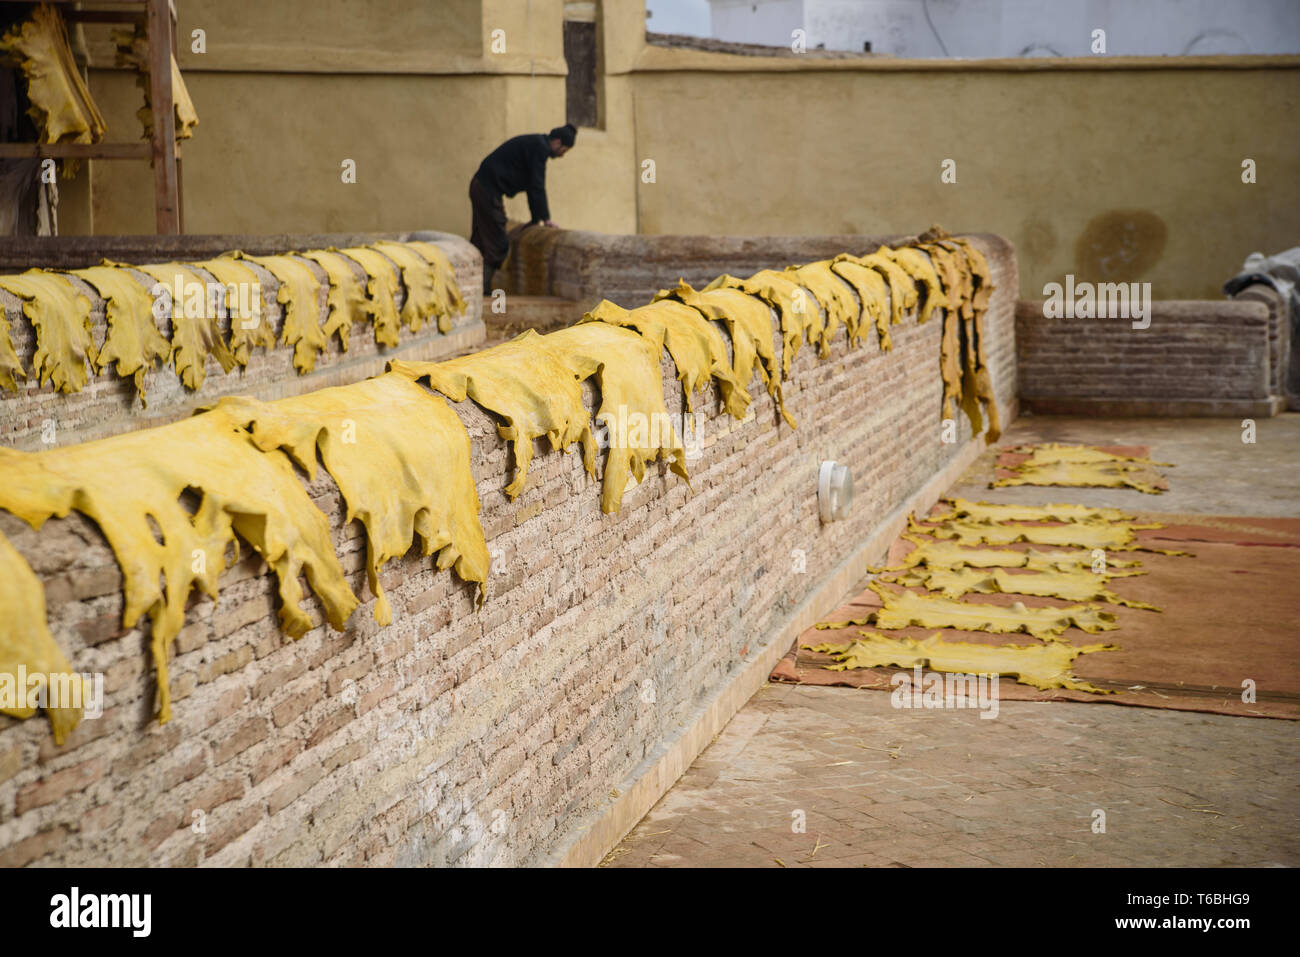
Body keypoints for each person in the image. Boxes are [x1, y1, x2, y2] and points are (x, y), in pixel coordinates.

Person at [469, 124, 576, 293]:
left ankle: (473, 288)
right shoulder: (539, 148)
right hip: (486, 190)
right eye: (564, 150)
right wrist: (546, 218)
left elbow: (532, 187)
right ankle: (482, 291)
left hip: (482, 187)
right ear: (557, 142)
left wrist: (536, 219)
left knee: (482, 240)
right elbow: (537, 186)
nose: (562, 155)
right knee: (498, 242)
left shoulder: (535, 145)